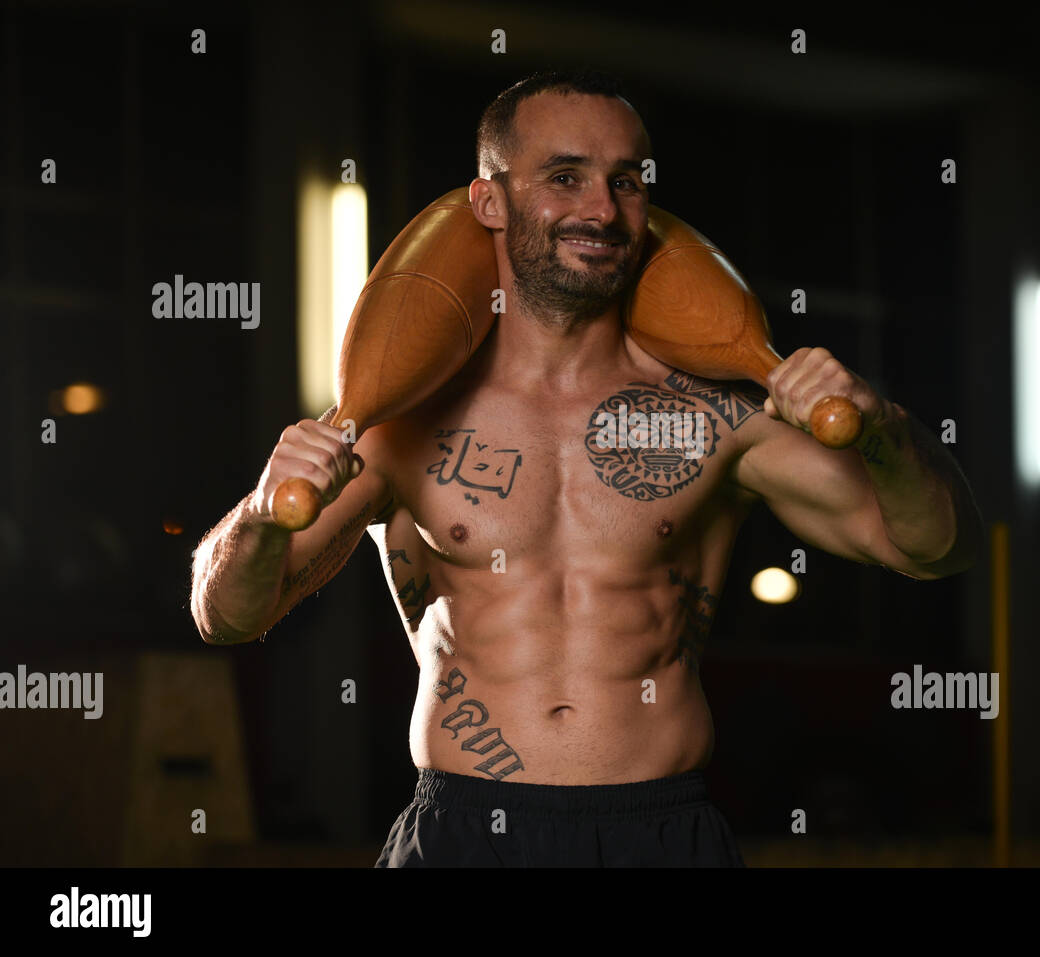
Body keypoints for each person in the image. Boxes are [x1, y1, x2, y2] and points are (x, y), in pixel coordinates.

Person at [189, 69, 983, 867]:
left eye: (626, 182)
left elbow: (935, 547)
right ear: (490, 201)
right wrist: (258, 519)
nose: (601, 210)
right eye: (564, 177)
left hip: (661, 831)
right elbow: (225, 614)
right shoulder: (402, 421)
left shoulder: (715, 414)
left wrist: (882, 430)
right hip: (468, 830)